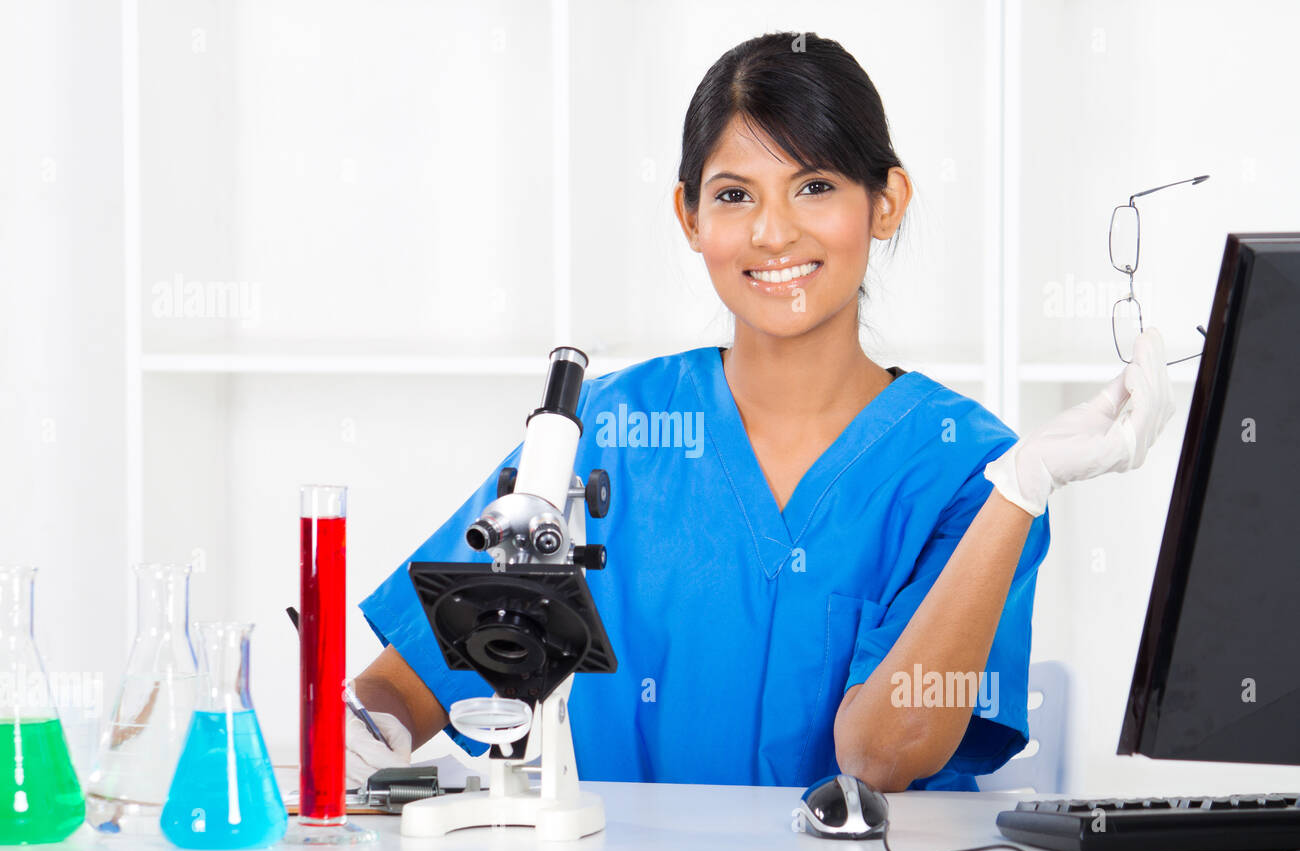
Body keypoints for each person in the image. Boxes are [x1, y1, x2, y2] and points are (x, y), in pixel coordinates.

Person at [346, 32, 1175, 793]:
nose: (774, 233)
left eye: (815, 186)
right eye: (735, 194)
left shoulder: (970, 468)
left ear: (886, 202)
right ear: (690, 217)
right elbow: (412, 679)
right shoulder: (608, 428)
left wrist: (1022, 490)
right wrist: (361, 735)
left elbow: (883, 753)